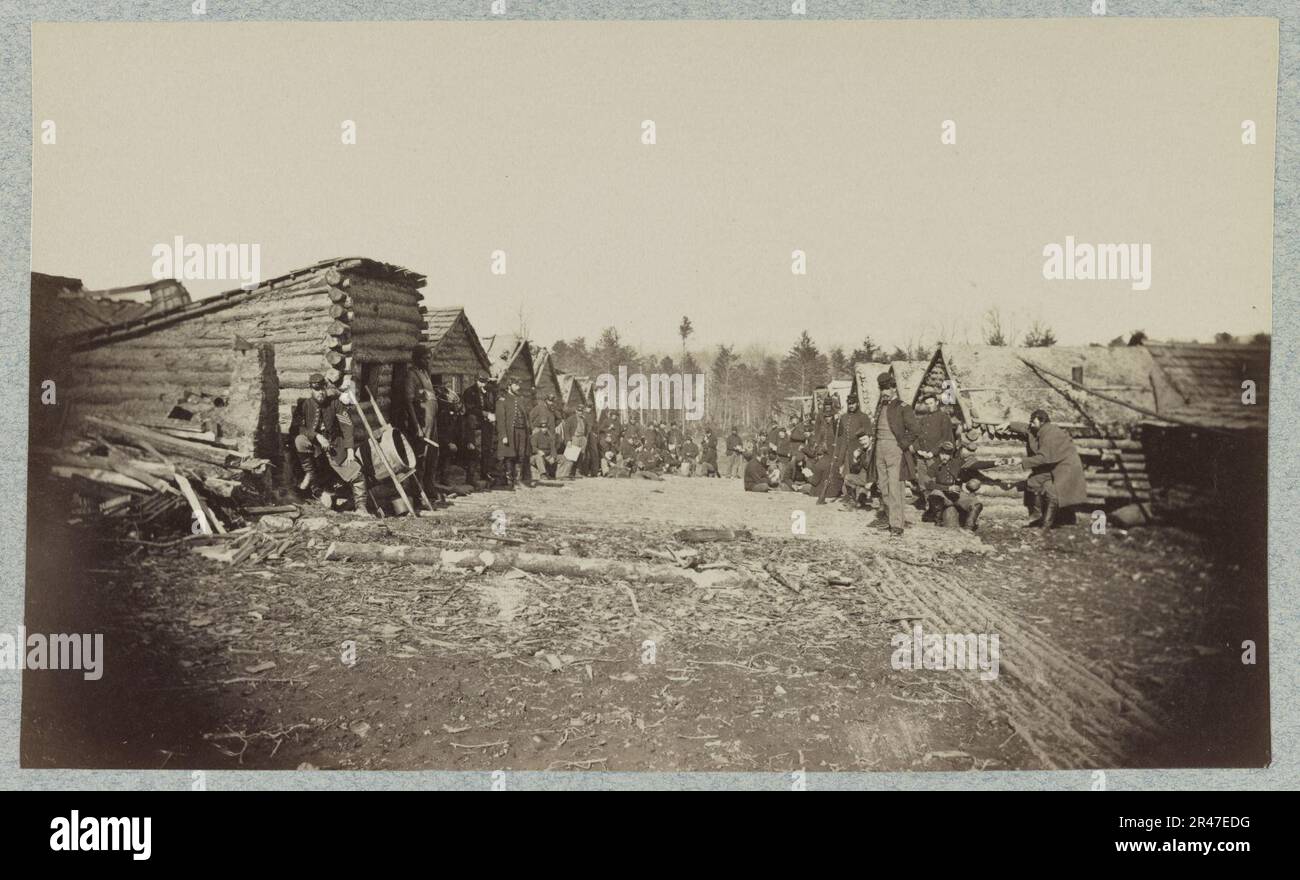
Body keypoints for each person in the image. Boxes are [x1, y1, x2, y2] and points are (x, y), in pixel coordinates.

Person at [1003, 409, 1087, 531]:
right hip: (1053, 465)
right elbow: (1027, 428)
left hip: (1066, 467)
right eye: (1031, 422)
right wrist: (1010, 425)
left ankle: (1045, 525)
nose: (1031, 424)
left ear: (1042, 421)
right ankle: (1038, 517)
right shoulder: (1041, 429)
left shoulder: (1051, 434)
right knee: (1033, 482)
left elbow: (1044, 457)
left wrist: (1021, 461)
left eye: (1034, 422)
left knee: (1052, 492)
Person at [871, 372, 921, 537]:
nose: (884, 392)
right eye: (882, 389)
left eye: (887, 389)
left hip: (895, 449)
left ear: (894, 388)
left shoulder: (903, 407)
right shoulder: (880, 407)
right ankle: (888, 517)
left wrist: (902, 446)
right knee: (883, 487)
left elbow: (914, 430)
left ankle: (897, 525)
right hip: (879, 449)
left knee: (895, 488)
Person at [925, 441, 1007, 531]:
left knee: (977, 505)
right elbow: (929, 484)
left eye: (948, 454)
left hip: (957, 495)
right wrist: (947, 488)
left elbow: (975, 464)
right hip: (942, 494)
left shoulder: (957, 463)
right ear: (939, 453)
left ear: (951, 455)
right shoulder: (933, 466)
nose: (945, 457)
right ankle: (938, 523)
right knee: (935, 496)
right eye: (943, 454)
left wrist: (995, 463)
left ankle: (968, 529)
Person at [399, 349, 439, 508]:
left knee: (432, 457)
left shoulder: (425, 374)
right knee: (421, 458)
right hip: (422, 424)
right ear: (417, 359)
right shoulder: (412, 375)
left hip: (432, 423)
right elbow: (409, 402)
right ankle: (418, 497)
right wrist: (417, 427)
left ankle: (429, 492)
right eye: (425, 358)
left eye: (429, 358)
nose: (428, 361)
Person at [461, 373, 495, 488]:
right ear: (477, 380)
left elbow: (490, 406)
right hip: (473, 425)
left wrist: (490, 413)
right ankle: (471, 477)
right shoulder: (470, 392)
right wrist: (484, 413)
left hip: (485, 426)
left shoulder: (487, 392)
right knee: (474, 451)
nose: (483, 383)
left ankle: (484, 474)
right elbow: (470, 408)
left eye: (485, 381)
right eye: (481, 381)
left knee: (486, 449)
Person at [495, 377, 529, 489]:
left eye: (519, 385)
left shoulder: (520, 399)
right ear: (509, 386)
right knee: (509, 455)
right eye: (516, 385)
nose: (518, 387)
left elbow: (525, 415)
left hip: (521, 430)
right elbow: (500, 420)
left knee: (521, 455)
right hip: (510, 431)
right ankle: (510, 482)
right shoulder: (502, 399)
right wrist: (503, 435)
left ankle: (518, 481)